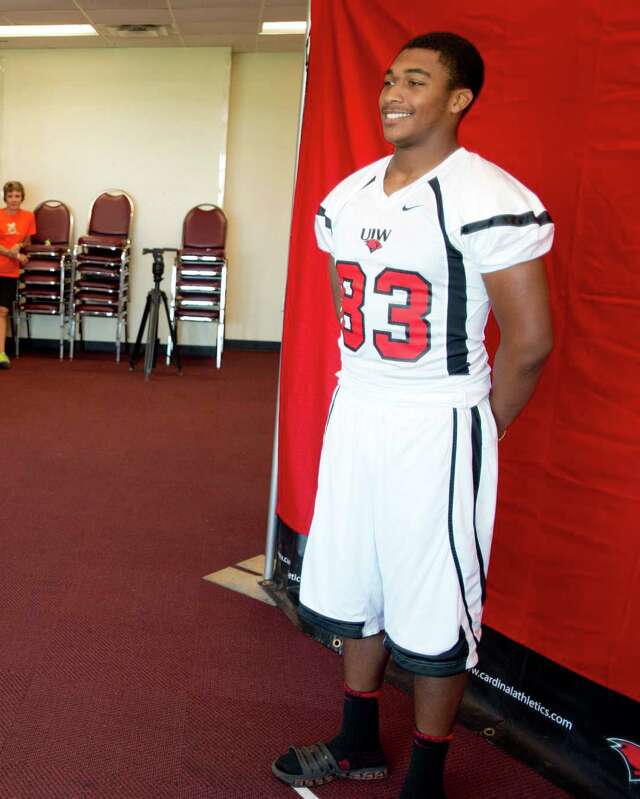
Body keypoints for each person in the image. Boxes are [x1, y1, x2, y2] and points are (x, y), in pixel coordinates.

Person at [272, 33, 554, 799]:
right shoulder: (350, 194)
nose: (391, 92)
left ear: (459, 99)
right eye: (390, 78)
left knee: (433, 612)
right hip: (360, 406)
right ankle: (357, 739)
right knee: (358, 583)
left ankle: (426, 777)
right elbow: (344, 316)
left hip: (439, 417)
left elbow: (529, 345)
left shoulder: (488, 195)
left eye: (416, 81)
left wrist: (477, 432)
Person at [0, 181, 35, 370]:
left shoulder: (28, 216)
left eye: (17, 196)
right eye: (10, 196)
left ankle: (1, 353)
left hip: (10, 271)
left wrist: (18, 247)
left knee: (2, 310)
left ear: (22, 198)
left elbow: (27, 239)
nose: (14, 200)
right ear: (5, 198)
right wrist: (13, 254)